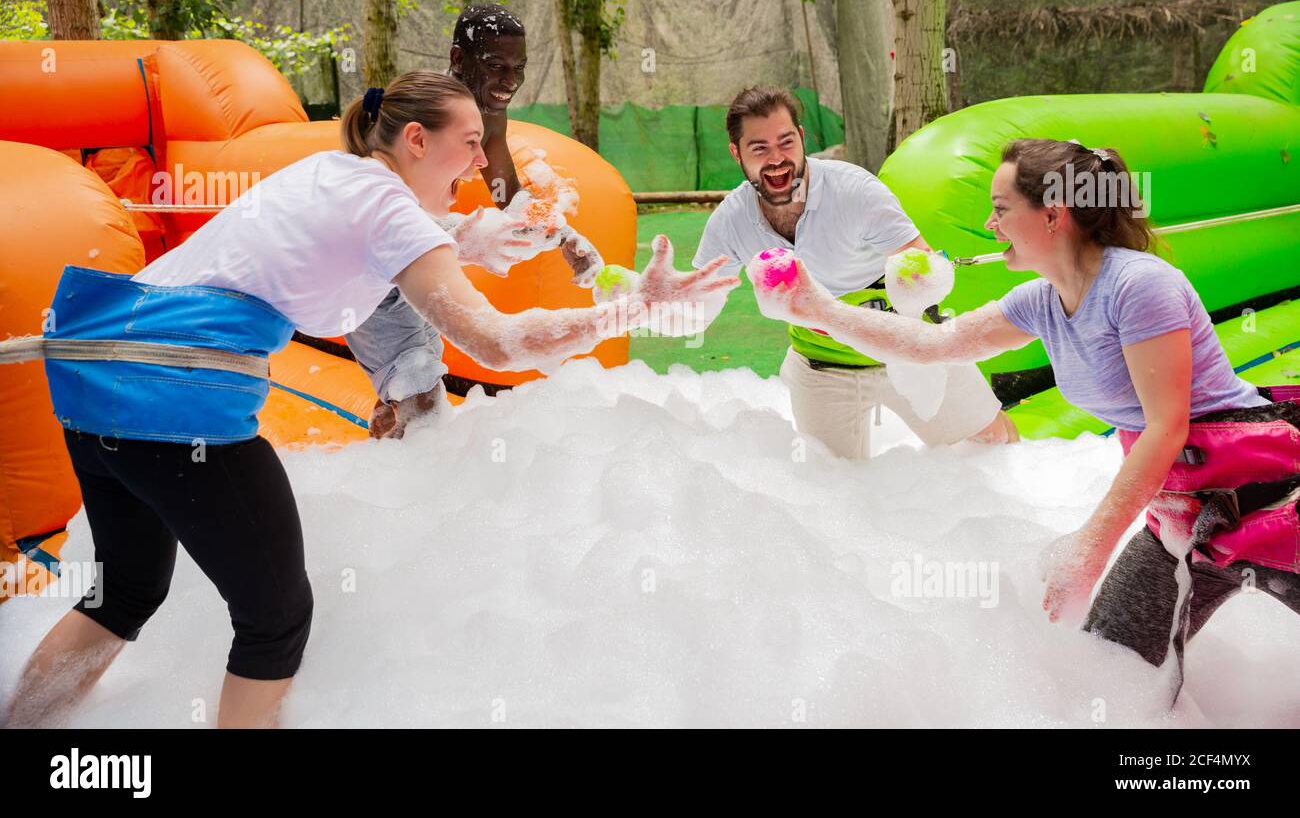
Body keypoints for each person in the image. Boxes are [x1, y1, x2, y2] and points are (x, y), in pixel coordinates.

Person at [3, 71, 737, 729]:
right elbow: (498, 344)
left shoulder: (330, 170)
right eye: (471, 142)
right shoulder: (389, 212)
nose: (483, 161)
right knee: (276, 617)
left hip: (91, 372)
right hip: (174, 392)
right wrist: (633, 307)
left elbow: (360, 239)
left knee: (124, 592)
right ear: (417, 139)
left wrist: (473, 241)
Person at [748, 137, 1300, 698]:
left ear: (1053, 215)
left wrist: (1087, 551)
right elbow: (933, 344)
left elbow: (1166, 428)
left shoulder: (1140, 286)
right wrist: (820, 309)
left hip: (1271, 499)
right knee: (1112, 665)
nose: (990, 224)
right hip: (1183, 518)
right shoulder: (1041, 300)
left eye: (1001, 209)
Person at [692, 86, 1017, 459]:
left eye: (786, 142)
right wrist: (658, 305)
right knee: (834, 490)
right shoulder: (731, 221)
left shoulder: (853, 191)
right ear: (737, 153)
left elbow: (918, 258)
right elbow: (696, 304)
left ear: (801, 137)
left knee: (993, 443)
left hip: (908, 351)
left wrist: (922, 275)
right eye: (759, 148)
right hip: (822, 368)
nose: (777, 159)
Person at [348, 4, 600, 438]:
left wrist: (563, 235)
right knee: (417, 382)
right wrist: (466, 236)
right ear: (459, 58)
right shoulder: (425, 111)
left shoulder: (485, 111)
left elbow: (506, 194)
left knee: (415, 383)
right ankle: (404, 486)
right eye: (495, 66)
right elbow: (383, 218)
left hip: (410, 256)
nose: (509, 82)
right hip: (372, 258)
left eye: (518, 68)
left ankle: (386, 462)